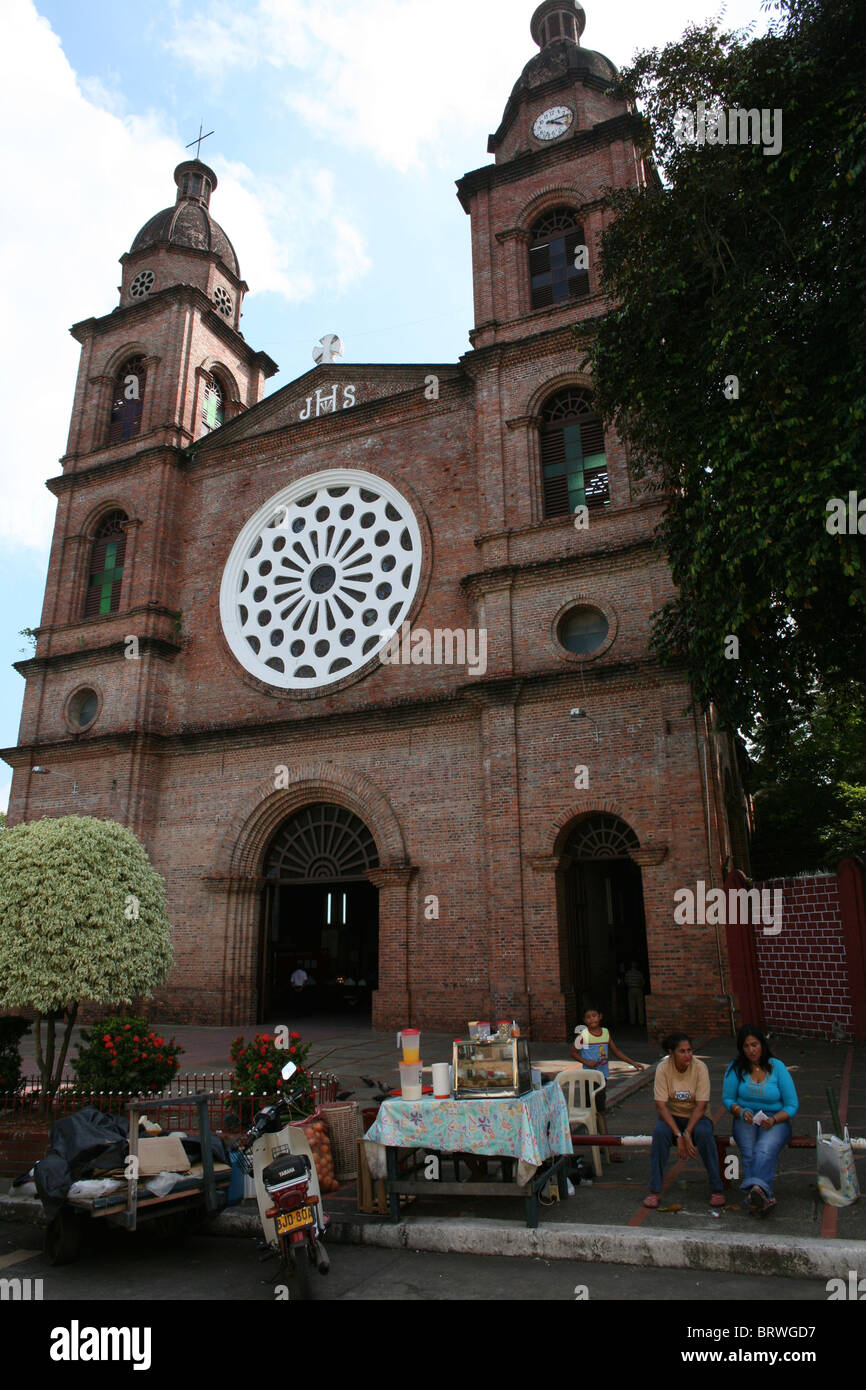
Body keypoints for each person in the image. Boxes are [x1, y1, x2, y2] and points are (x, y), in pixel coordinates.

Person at [722, 1025, 798, 1216]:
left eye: (754, 1045)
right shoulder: (736, 1068)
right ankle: (763, 1195)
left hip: (775, 1119)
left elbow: (792, 1105)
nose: (751, 1050)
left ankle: (755, 1193)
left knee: (764, 1148)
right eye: (746, 1046)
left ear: (762, 1045)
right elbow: (728, 1099)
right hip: (745, 1118)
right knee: (748, 1151)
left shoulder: (777, 1067)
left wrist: (774, 1119)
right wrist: (740, 1111)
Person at [644, 1031, 725, 1208]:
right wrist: (679, 1136)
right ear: (671, 1053)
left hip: (697, 1117)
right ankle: (654, 1190)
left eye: (690, 1050)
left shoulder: (700, 1067)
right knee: (659, 1134)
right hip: (671, 1117)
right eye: (682, 1051)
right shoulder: (663, 1068)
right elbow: (661, 1106)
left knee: (704, 1134)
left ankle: (717, 1188)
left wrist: (688, 1132)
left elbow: (701, 1105)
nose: (688, 1055)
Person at [571, 1006, 646, 1154]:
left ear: (600, 1016)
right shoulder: (583, 1036)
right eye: (588, 1017)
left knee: (599, 1110)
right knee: (594, 1111)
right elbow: (573, 1052)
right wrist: (586, 1062)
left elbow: (616, 1051)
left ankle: (603, 1143)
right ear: (584, 1021)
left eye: (594, 1015)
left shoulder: (605, 1033)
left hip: (602, 1077)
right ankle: (602, 1144)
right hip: (589, 1078)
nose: (591, 1019)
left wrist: (632, 1062)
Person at [624, 961, 646, 1026]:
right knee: (640, 1006)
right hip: (638, 989)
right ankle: (641, 1021)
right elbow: (643, 982)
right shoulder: (639, 973)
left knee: (631, 1006)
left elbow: (626, 981)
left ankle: (632, 1022)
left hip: (630, 989)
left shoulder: (628, 973)